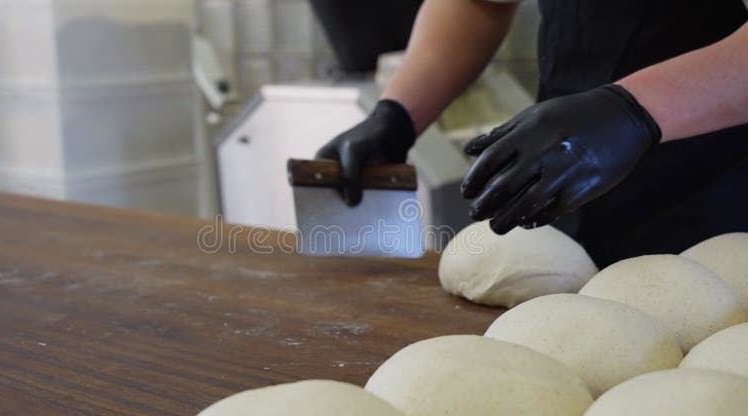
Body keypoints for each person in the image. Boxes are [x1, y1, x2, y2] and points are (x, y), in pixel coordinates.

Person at [314, 0, 748, 267]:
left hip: (715, 190)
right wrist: (398, 113)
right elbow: (479, 2)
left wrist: (631, 111)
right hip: (565, 173)